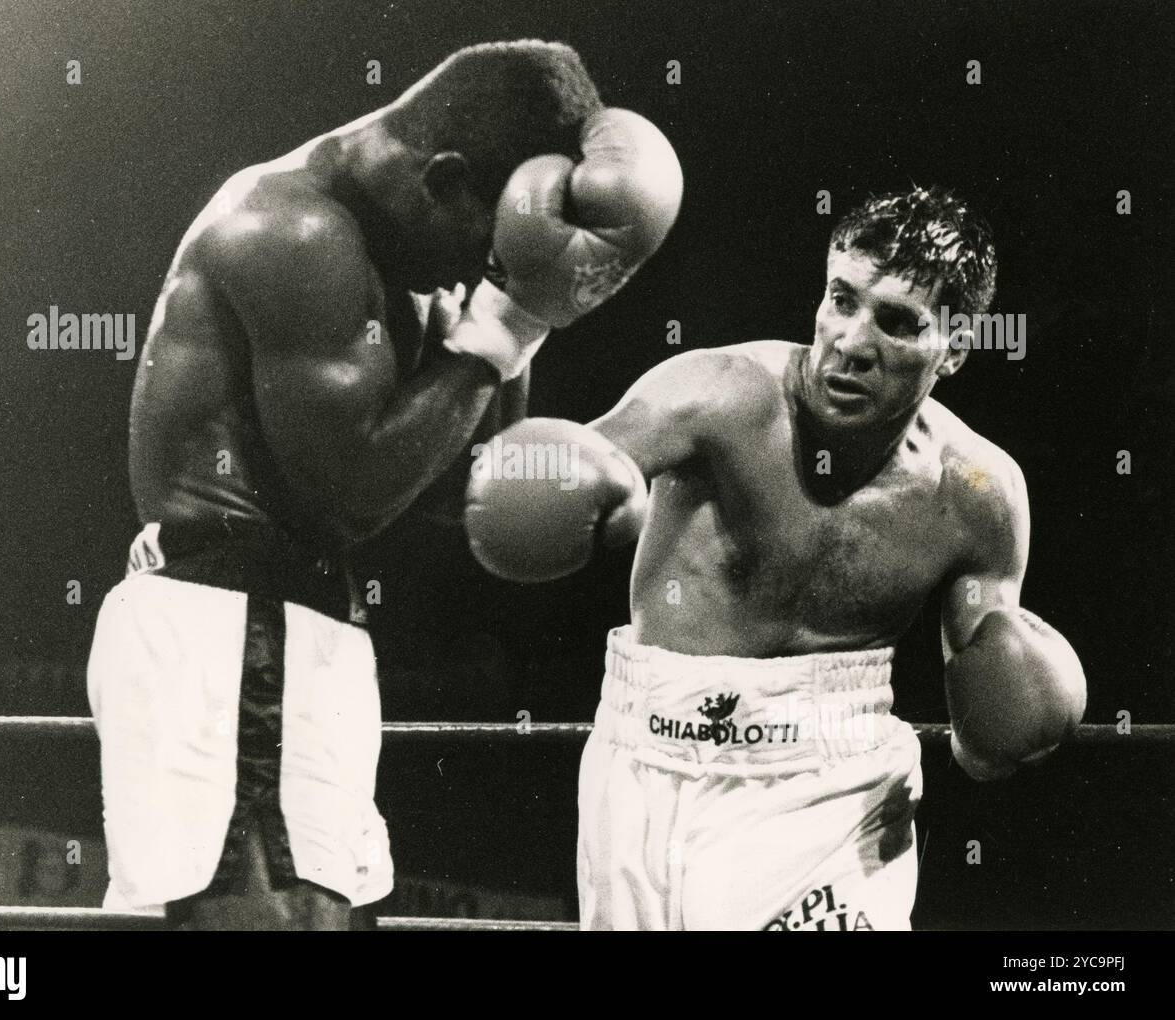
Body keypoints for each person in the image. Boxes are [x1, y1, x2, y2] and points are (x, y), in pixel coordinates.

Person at [86, 40, 682, 930]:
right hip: (234, 628)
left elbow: (456, 492)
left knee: (324, 913)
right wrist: (503, 329)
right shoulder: (297, 232)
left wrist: (514, 341)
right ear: (445, 180)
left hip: (283, 631)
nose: (481, 274)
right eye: (488, 248)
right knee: (275, 917)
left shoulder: (399, 263)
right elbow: (352, 493)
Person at [465, 187, 1086, 930]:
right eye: (842, 299)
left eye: (896, 321)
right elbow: (544, 474)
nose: (851, 341)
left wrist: (1013, 712)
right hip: (645, 764)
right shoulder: (713, 394)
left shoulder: (978, 493)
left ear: (952, 348)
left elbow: (984, 742)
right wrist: (521, 449)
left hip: (837, 789)